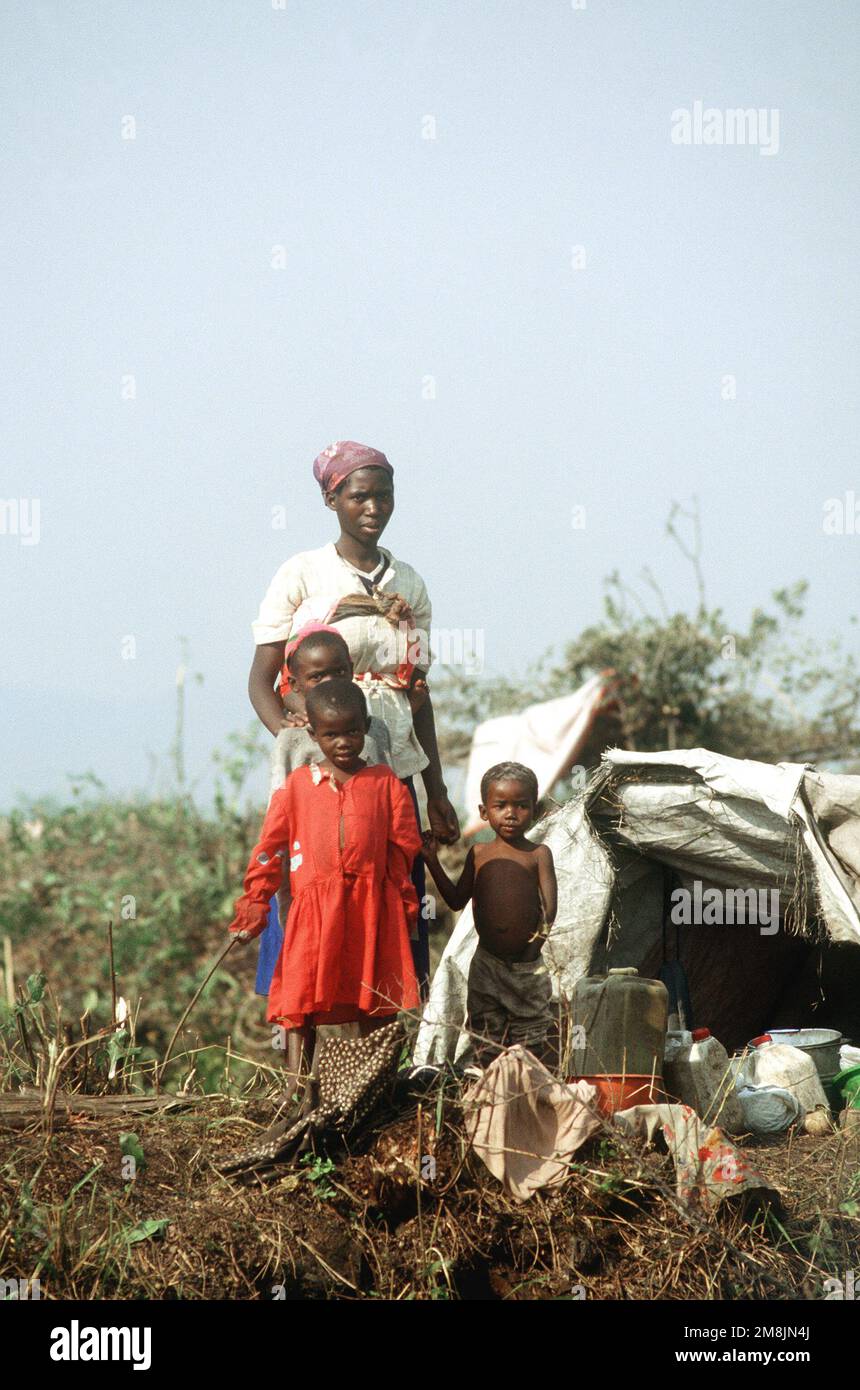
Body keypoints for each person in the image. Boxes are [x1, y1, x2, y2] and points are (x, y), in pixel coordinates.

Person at [247, 440, 460, 990]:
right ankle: (300, 1031)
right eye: (359, 496)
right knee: (311, 884)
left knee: (393, 881)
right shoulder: (303, 573)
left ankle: (389, 1033)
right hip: (318, 762)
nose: (373, 508)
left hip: (391, 758)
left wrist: (435, 790)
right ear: (331, 498)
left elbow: (418, 694)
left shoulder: (408, 584)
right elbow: (261, 681)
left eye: (383, 497)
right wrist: (299, 739)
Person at [230, 678, 422, 1108]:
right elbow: (269, 849)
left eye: (352, 731)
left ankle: (377, 1082)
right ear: (313, 734)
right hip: (313, 910)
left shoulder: (386, 783)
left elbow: (403, 847)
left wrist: (402, 902)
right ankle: (299, 1086)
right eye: (331, 734)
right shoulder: (297, 786)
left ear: (366, 727)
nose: (343, 742)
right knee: (301, 995)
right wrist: (255, 904)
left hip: (372, 907)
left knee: (376, 994)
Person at [253, 622, 392, 998]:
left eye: (339, 672)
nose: (330, 682)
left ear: (352, 671)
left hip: (359, 879)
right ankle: (295, 1056)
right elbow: (278, 817)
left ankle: (362, 1056)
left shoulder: (373, 732)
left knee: (357, 976)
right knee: (295, 972)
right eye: (317, 677)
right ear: (295, 685)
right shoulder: (293, 739)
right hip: (303, 877)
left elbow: (386, 801)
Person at [421, 761, 558, 1065]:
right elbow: (457, 900)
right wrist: (431, 860)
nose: (511, 813)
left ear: (533, 811)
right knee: (485, 1038)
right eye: (501, 805)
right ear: (485, 812)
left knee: (532, 1038)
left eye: (521, 805)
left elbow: (549, 910)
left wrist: (533, 948)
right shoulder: (479, 854)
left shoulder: (538, 854)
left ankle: (528, 1096)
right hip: (486, 964)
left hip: (527, 969)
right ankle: (489, 1096)